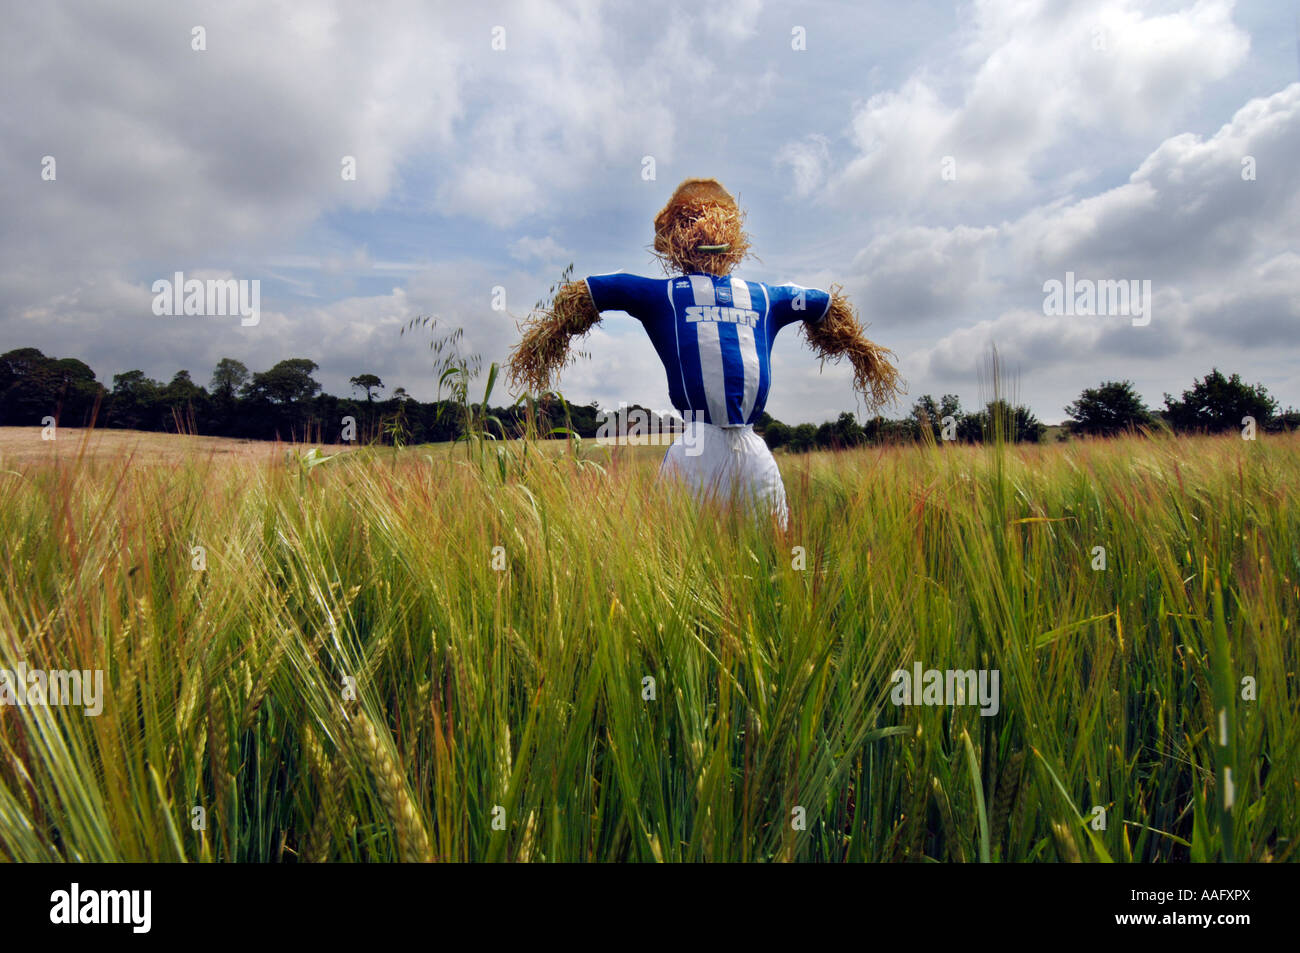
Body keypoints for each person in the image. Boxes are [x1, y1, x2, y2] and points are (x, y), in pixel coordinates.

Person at [507, 178, 902, 528]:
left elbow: (823, 305)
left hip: (748, 446)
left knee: (768, 549)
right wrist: (544, 338)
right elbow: (594, 292)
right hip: (697, 446)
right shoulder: (667, 295)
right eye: (691, 223)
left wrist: (864, 353)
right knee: (681, 549)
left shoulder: (765, 296)